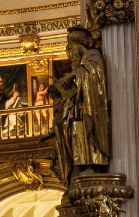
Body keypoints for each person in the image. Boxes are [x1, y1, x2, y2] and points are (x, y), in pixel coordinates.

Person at [47, 26, 110, 186]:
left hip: (88, 112)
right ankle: (82, 168)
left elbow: (95, 75)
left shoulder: (93, 57)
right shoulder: (82, 63)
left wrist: (75, 75)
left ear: (77, 45)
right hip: (78, 112)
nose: (69, 53)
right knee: (77, 138)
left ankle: (92, 166)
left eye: (70, 48)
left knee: (86, 136)